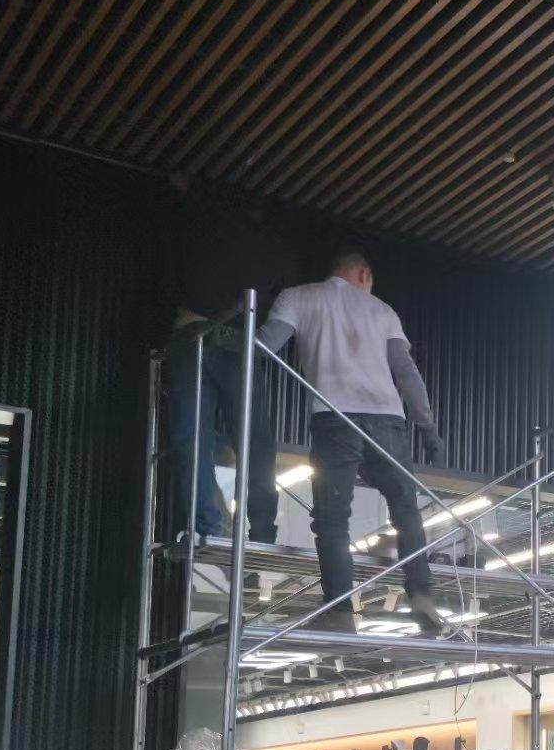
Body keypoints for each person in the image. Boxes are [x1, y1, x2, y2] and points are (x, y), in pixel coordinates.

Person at [256, 250, 446, 635]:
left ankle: (340, 612)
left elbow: (264, 345)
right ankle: (422, 595)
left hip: (334, 418)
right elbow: (406, 372)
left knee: (332, 518)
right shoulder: (383, 311)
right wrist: (427, 427)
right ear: (363, 275)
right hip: (388, 420)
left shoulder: (299, 297)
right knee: (405, 509)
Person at [164, 173, 299, 544]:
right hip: (238, 337)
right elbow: (285, 282)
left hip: (194, 329)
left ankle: (205, 525)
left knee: (193, 434)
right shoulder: (269, 241)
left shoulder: (200, 219)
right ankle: (260, 529)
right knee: (253, 440)